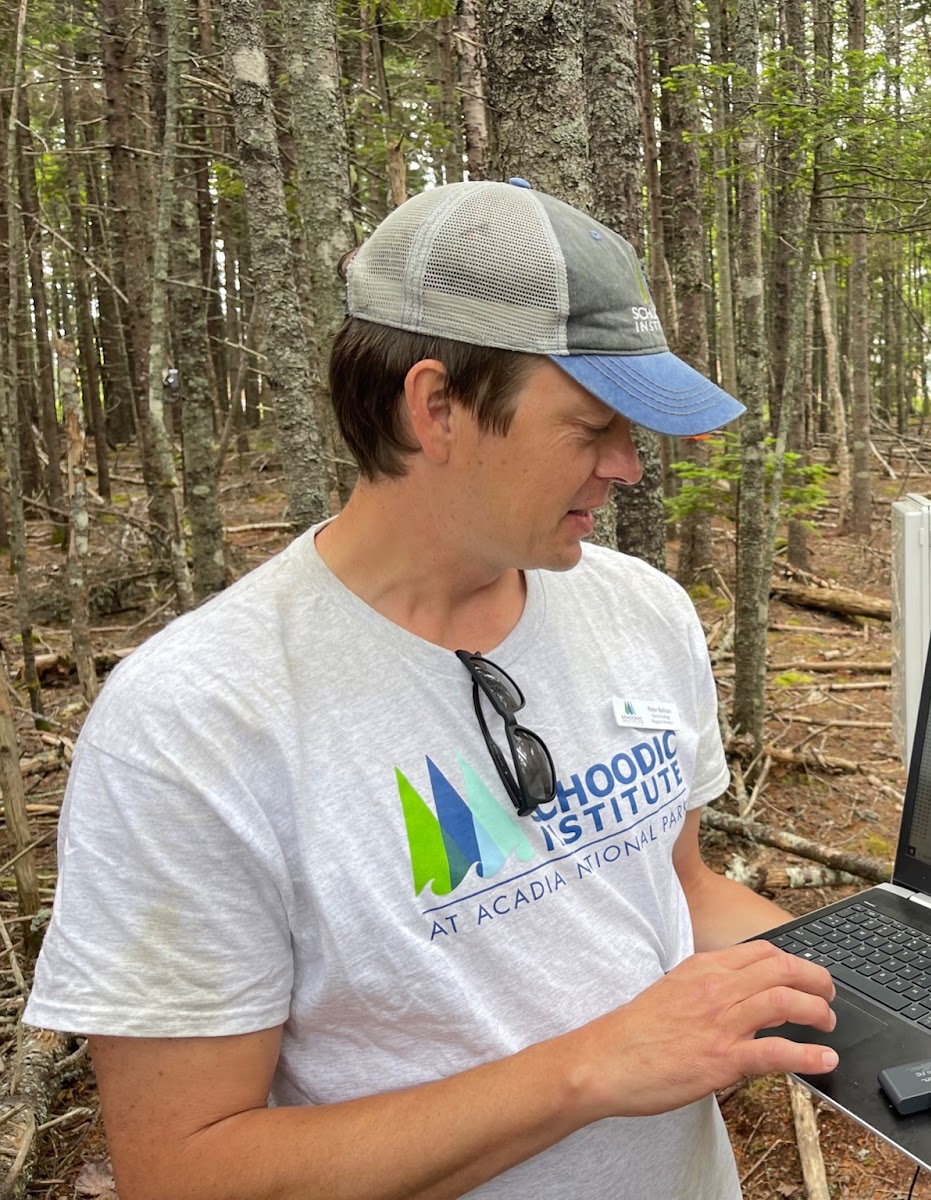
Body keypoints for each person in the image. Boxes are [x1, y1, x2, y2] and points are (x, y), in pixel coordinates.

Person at [24, 179, 839, 1200]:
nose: (630, 466)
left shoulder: (641, 612)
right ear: (436, 408)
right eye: (591, 429)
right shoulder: (196, 720)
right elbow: (185, 1168)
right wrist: (589, 1071)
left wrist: (897, 982)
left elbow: (676, 891)